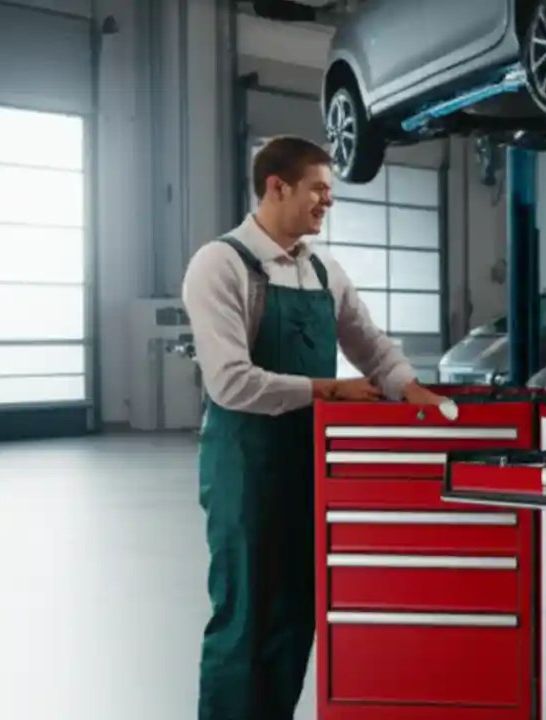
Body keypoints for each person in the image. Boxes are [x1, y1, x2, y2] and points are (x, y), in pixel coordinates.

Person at [182, 136, 447, 720]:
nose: (328, 201)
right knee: (246, 614)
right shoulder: (222, 265)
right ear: (277, 187)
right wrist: (330, 389)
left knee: (297, 611)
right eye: (318, 189)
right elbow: (230, 382)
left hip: (313, 464)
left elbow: (369, 343)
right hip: (246, 466)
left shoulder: (321, 268)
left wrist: (413, 390)